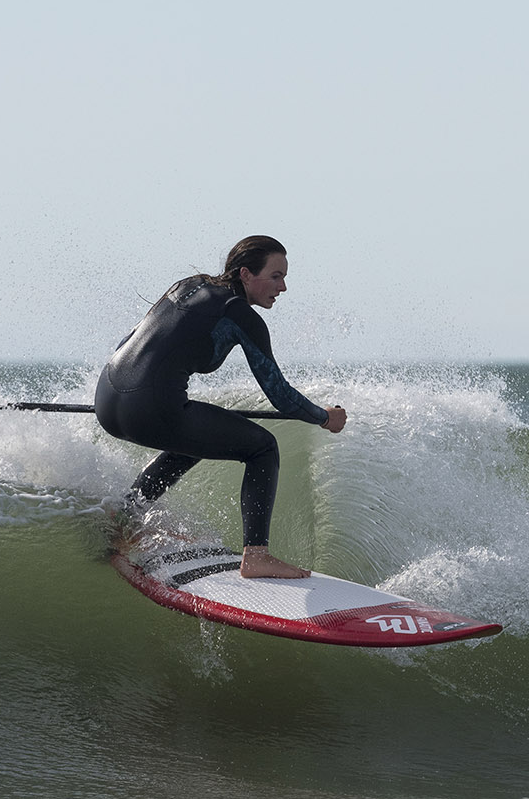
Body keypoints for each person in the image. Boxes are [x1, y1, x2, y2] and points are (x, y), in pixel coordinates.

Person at [95, 235, 348, 578]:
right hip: (149, 410)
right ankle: (256, 556)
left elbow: (132, 341)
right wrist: (324, 417)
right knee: (262, 448)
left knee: (195, 437)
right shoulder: (240, 314)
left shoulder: (187, 286)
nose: (283, 286)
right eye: (276, 276)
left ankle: (125, 517)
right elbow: (280, 395)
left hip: (107, 400)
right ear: (245, 274)